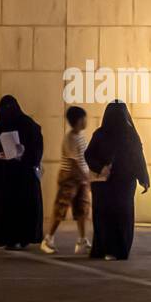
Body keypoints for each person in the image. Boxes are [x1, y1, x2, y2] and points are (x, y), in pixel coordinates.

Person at [83, 100, 150, 260]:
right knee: (122, 216)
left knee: (104, 216)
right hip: (123, 184)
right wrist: (143, 178)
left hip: (105, 185)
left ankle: (105, 248)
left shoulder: (100, 134)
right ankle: (118, 249)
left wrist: (100, 168)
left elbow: (89, 155)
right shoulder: (130, 135)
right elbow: (138, 159)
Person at [0, 94, 44, 250]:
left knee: (22, 207)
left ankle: (22, 238)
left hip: (22, 176)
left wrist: (23, 155)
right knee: (10, 208)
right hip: (6, 177)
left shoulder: (28, 126)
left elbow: (36, 148)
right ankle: (12, 239)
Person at [42, 106, 92, 255]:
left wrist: (86, 177)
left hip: (81, 178)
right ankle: (48, 239)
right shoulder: (69, 138)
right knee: (61, 208)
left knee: (82, 209)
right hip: (69, 177)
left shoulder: (80, 137)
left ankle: (82, 240)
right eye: (84, 119)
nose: (86, 121)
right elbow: (74, 162)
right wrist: (86, 178)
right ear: (77, 121)